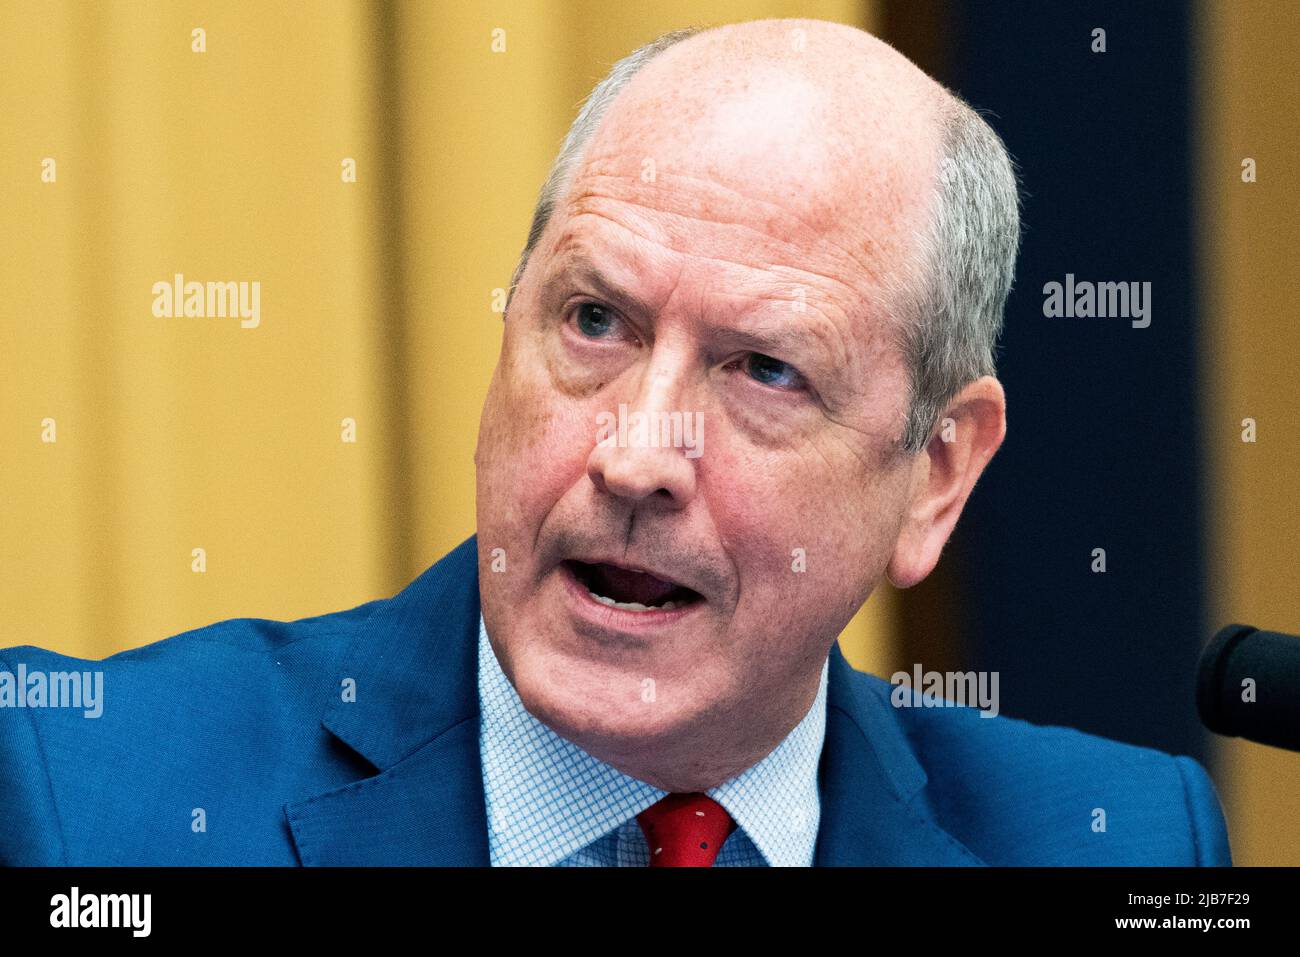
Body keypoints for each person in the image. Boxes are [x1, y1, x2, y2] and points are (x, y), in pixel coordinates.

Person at [0, 18, 1230, 866]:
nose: (636, 457)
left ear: (936, 474)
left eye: (764, 370)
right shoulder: (81, 796)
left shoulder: (1115, 839)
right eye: (594, 322)